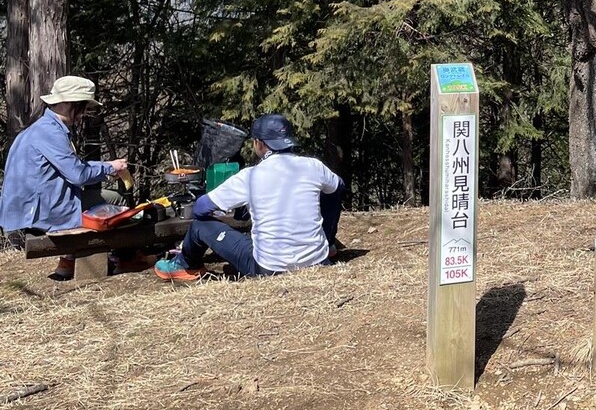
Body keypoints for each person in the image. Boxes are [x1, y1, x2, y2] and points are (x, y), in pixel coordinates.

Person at [155, 113, 344, 282]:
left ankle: (186, 264)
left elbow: (200, 208)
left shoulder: (251, 176)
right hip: (317, 260)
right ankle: (329, 245)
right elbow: (337, 188)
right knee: (332, 192)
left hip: (269, 268)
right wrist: (327, 235)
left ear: (259, 143)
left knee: (199, 226)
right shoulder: (313, 166)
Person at [0, 76, 128, 280]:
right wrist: (108, 168)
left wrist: (110, 167)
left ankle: (69, 260)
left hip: (31, 207)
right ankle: (124, 258)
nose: (83, 114)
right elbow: (78, 175)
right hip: (39, 211)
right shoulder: (50, 132)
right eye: (83, 107)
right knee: (115, 200)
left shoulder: (40, 129)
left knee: (97, 200)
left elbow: (72, 166)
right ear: (69, 104)